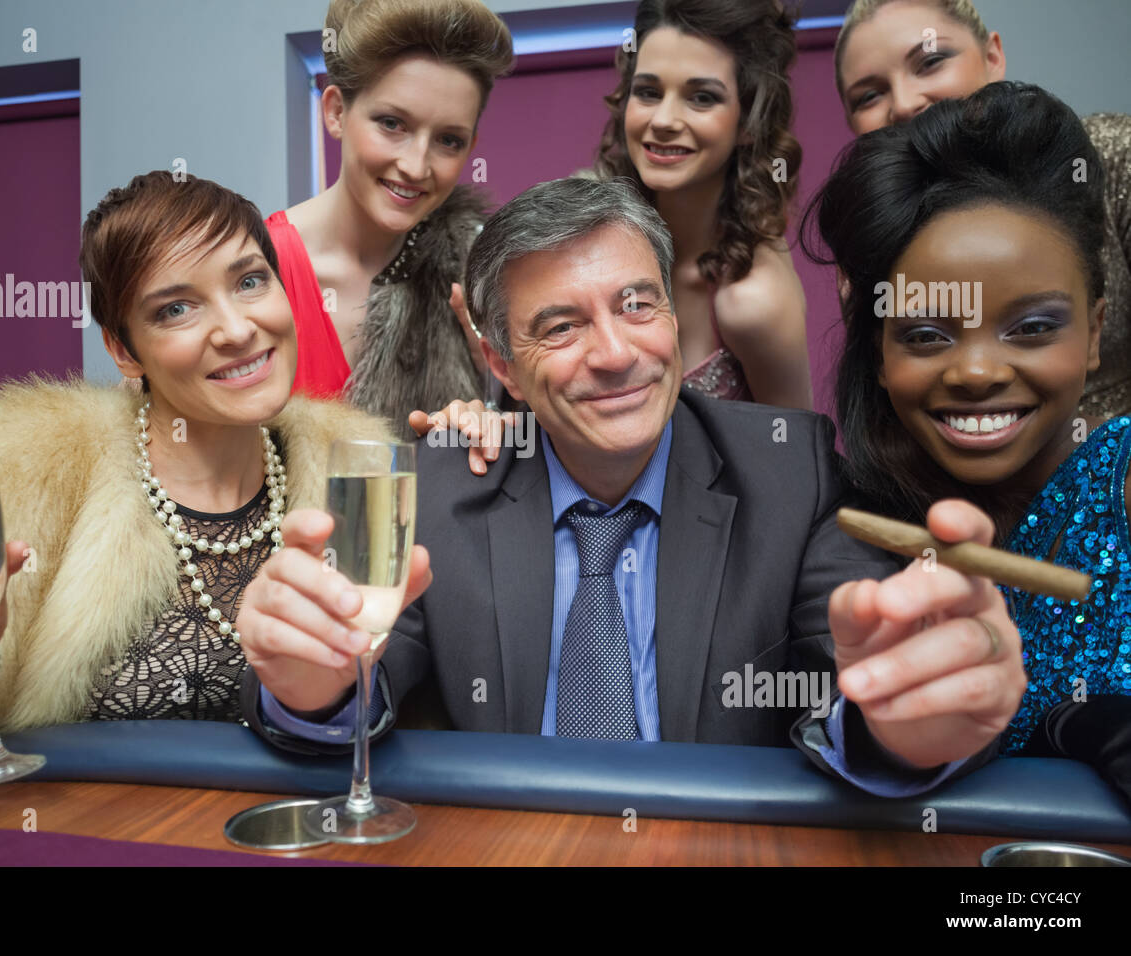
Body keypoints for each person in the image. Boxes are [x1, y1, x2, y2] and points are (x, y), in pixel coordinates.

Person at [234, 176, 1028, 795]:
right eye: (561, 326)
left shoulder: (793, 469)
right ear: (502, 364)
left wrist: (903, 720)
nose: (615, 353)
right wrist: (315, 687)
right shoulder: (437, 489)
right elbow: (351, 681)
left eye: (637, 304)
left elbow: (856, 683)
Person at [0, 171, 397, 761]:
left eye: (251, 281)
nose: (236, 330)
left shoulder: (355, 470)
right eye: (176, 308)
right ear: (124, 350)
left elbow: (381, 717)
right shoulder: (28, 466)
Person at [805, 81, 1130, 764]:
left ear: (1095, 333)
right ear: (881, 355)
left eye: (1033, 327)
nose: (977, 372)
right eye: (925, 335)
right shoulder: (853, 529)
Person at [833, 0, 1131, 421]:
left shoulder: (1113, 159)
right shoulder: (873, 233)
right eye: (869, 95)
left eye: (931, 61)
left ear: (992, 57)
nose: (902, 103)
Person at [269, 0, 514, 436]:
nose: (417, 166)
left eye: (448, 141)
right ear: (336, 111)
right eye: (392, 124)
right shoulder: (254, 269)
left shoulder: (478, 279)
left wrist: (501, 384)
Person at [585, 0, 812, 410]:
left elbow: (795, 461)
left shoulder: (751, 299)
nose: (665, 120)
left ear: (747, 124)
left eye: (702, 98)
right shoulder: (590, 245)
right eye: (649, 92)